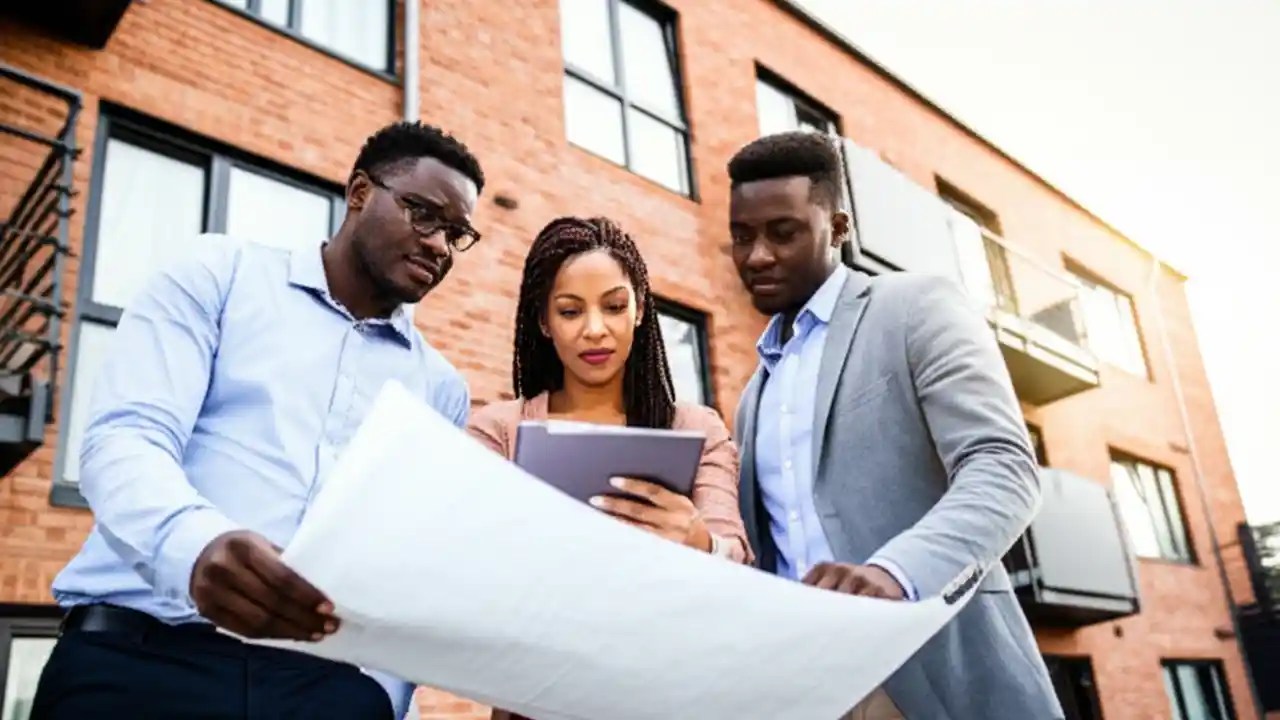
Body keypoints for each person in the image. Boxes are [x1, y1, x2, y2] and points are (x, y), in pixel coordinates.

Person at [32, 120, 486, 720]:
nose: (439, 246)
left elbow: (406, 555)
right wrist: (193, 546)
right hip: (142, 663)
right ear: (358, 193)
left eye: (457, 234)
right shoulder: (219, 274)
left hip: (326, 691)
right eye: (423, 214)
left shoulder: (442, 388)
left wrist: (382, 696)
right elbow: (127, 437)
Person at [726, 131, 1063, 720]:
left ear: (838, 228)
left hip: (932, 677)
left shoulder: (916, 308)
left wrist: (894, 573)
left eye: (783, 232)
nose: (757, 256)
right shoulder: (752, 398)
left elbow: (1004, 467)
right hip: (805, 691)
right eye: (742, 236)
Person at [466, 215, 752, 720]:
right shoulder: (498, 431)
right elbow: (467, 569)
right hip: (540, 698)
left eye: (615, 306)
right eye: (570, 311)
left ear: (640, 308)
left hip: (666, 695)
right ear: (543, 321)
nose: (595, 329)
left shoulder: (696, 428)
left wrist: (699, 541)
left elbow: (738, 560)